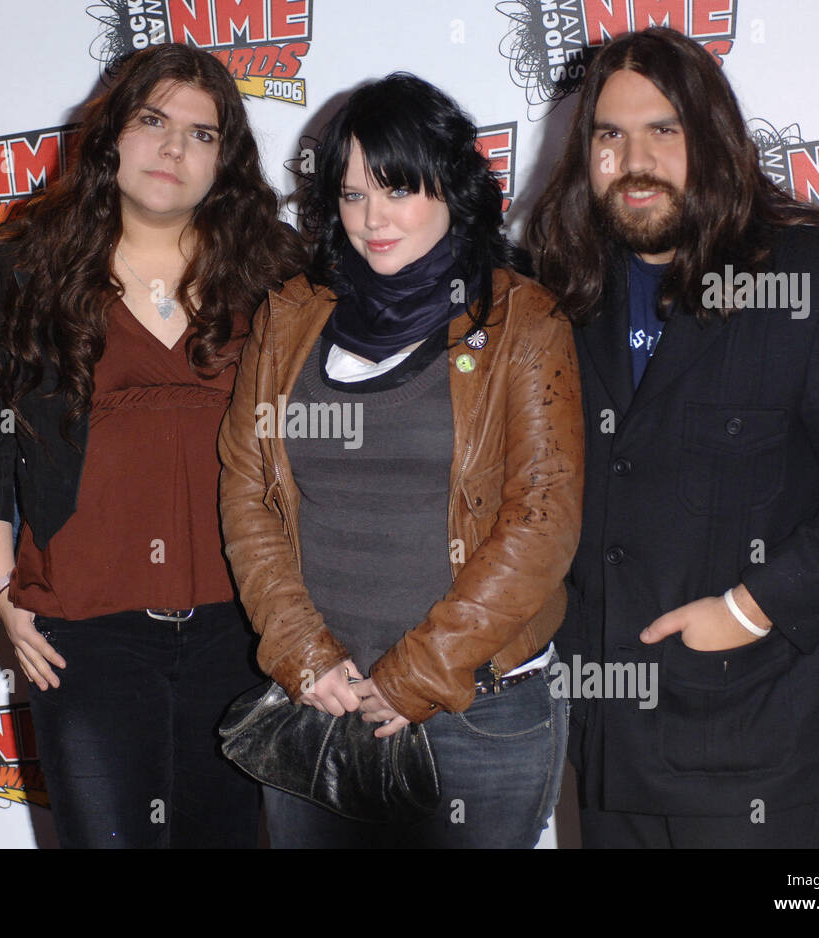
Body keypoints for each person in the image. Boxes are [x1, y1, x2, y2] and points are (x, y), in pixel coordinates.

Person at [525, 27, 819, 848]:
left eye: (663, 130)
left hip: (764, 734)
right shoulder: (566, 293)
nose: (633, 158)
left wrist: (749, 610)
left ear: (712, 140)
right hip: (611, 736)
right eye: (609, 135)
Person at [218, 73, 583, 848]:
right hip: (322, 700)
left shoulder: (523, 320)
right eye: (352, 196)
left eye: (397, 189)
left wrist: (414, 675)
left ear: (451, 187)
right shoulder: (290, 315)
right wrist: (301, 654)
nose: (373, 219)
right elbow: (248, 491)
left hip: (477, 713)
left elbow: (542, 519)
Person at [0, 42, 303, 849]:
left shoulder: (274, 273)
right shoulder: (25, 268)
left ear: (226, 160)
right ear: (112, 134)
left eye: (202, 133)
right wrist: (4, 594)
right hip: (85, 632)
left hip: (242, 627)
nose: (174, 148)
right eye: (153, 121)